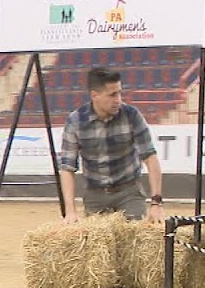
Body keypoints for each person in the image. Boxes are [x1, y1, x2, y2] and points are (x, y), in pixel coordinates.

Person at [58, 67, 164, 224]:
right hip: (95, 196)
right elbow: (67, 169)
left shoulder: (131, 115)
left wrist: (156, 203)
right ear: (95, 95)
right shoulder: (75, 122)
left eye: (120, 93)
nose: (118, 100)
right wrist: (71, 211)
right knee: (99, 245)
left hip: (129, 192)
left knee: (134, 240)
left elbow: (150, 157)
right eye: (112, 95)